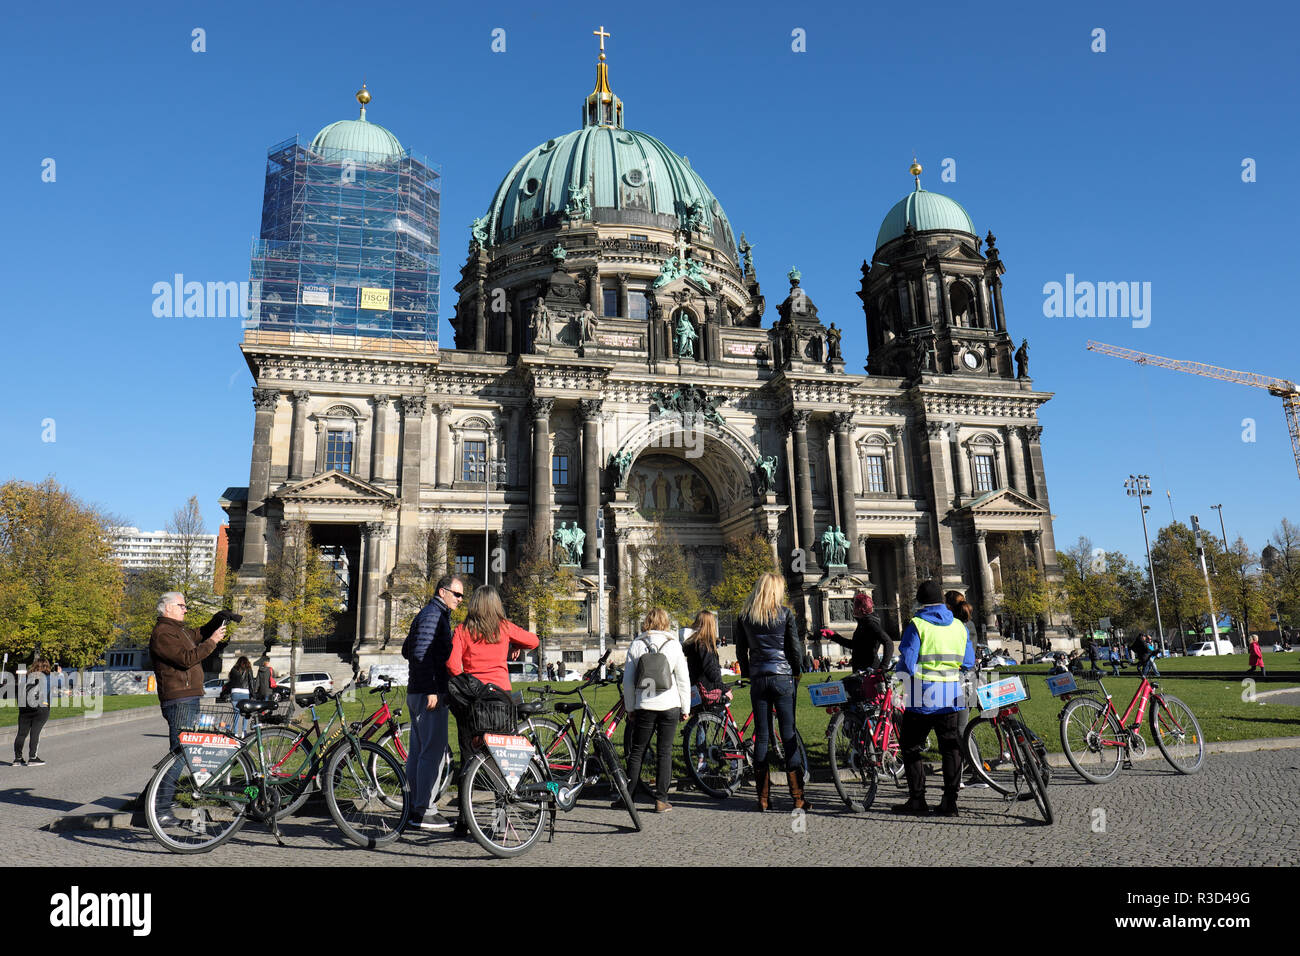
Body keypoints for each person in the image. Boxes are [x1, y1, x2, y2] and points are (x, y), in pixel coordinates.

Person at [893, 581, 975, 816]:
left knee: (910, 748)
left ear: (920, 602)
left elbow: (907, 665)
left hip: (922, 695)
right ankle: (950, 801)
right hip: (951, 695)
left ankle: (917, 799)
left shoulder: (917, 625)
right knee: (950, 748)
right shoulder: (959, 626)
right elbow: (968, 662)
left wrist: (897, 679)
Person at [148, 593, 227, 824]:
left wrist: (217, 619)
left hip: (188, 697)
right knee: (180, 755)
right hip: (179, 699)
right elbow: (186, 658)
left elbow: (198, 633)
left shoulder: (179, 630)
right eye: (182, 606)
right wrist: (212, 641)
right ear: (168, 608)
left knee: (182, 752)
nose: (186, 609)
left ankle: (152, 801)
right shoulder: (163, 633)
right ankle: (160, 808)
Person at [735, 572, 806, 812]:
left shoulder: (745, 616)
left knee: (762, 736)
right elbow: (794, 648)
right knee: (788, 735)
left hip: (759, 678)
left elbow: (740, 651)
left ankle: (763, 798)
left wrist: (747, 673)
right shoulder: (784, 614)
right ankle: (797, 797)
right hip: (782, 676)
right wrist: (796, 671)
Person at [447, 584, 539, 770]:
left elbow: (452, 665)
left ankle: (466, 787)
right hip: (500, 694)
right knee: (501, 745)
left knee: (467, 744)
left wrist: (467, 683)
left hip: (473, 696)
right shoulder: (504, 627)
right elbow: (534, 641)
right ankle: (501, 790)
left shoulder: (462, 630)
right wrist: (517, 646)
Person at [402, 573, 463, 832]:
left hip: (416, 691)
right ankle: (425, 810)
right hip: (430, 693)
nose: (460, 599)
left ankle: (414, 807)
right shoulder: (434, 616)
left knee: (418, 753)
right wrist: (431, 687)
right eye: (456, 594)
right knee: (433, 753)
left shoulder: (427, 614)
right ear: (442, 592)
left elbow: (407, 649)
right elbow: (418, 652)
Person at [621, 608, 690, 812]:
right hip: (669, 704)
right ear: (666, 622)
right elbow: (683, 679)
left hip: (645, 704)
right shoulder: (673, 645)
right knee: (665, 752)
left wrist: (630, 707)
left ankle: (628, 796)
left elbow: (628, 681)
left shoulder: (637, 644)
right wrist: (685, 707)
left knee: (637, 751)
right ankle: (661, 799)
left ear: (646, 622)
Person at [827, 591, 893, 673]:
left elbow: (888, 642)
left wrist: (883, 667)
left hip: (869, 669)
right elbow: (855, 645)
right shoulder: (863, 623)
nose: (852, 608)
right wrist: (833, 636)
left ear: (861, 608)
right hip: (861, 669)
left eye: (854, 605)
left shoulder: (870, 623)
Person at [14, 659, 52, 766]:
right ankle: (32, 757)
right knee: (35, 732)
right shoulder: (48, 677)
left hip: (24, 708)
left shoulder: (26, 677)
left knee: (21, 733)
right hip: (40, 708)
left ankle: (18, 758)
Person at [225, 656, 255, 735]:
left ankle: (235, 732)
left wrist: (228, 694)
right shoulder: (249, 669)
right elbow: (251, 682)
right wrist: (253, 695)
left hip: (235, 692)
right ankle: (244, 731)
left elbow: (230, 682)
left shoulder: (233, 669)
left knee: (236, 713)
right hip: (245, 692)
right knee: (246, 712)